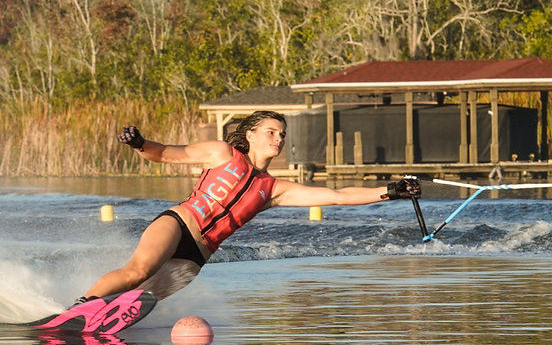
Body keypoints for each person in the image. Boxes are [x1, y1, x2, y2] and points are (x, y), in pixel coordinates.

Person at [73, 110, 420, 305]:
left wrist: (390, 191)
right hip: (179, 224)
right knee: (138, 272)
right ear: (251, 134)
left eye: (282, 135)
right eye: (271, 132)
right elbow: (165, 154)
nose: (278, 139)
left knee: (141, 301)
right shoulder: (222, 154)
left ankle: (102, 322)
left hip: (197, 257)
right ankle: (81, 307)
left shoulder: (274, 190)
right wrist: (140, 143)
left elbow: (338, 195)